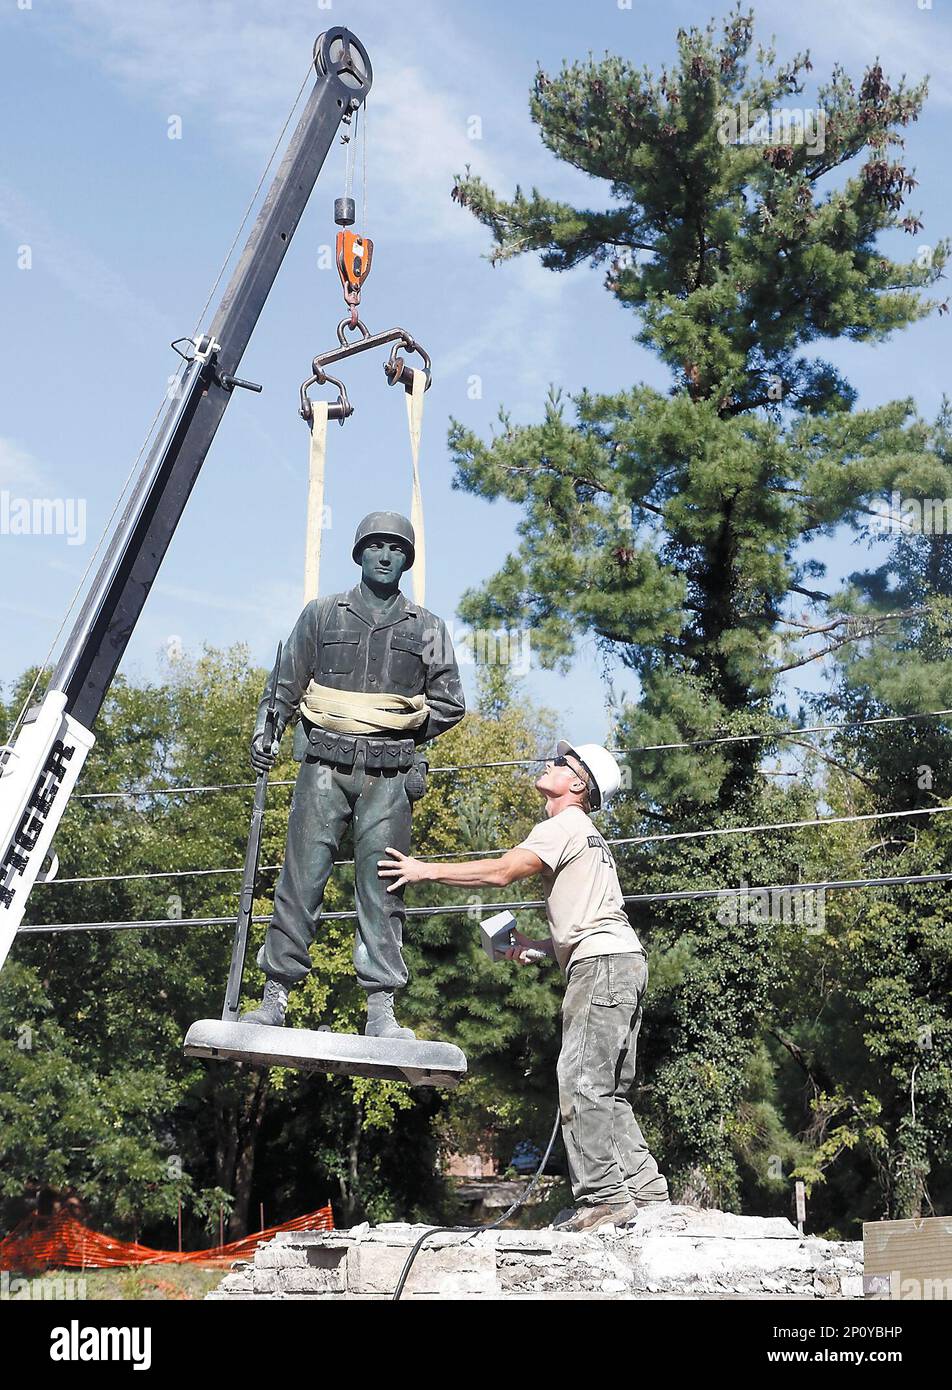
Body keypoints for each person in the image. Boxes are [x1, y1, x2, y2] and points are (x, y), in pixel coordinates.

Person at [379, 738, 670, 1232]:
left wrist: (422, 869)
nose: (550, 764)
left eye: (561, 762)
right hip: (621, 960)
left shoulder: (564, 825)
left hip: (601, 963)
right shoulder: (589, 836)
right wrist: (531, 945)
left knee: (580, 1081)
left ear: (578, 784)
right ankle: (644, 1190)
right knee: (610, 1090)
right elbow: (585, 923)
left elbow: (501, 872)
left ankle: (603, 1196)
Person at [242, 511, 465, 1040]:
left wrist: (398, 725)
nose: (386, 556)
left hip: (389, 775)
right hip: (323, 763)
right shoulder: (321, 616)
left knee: (383, 889)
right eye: (376, 546)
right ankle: (276, 996)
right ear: (359, 553)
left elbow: (450, 702)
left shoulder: (427, 628)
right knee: (301, 878)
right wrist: (264, 732)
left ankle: (381, 1010)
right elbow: (286, 682)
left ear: (406, 560)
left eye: (396, 548)